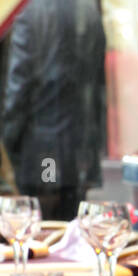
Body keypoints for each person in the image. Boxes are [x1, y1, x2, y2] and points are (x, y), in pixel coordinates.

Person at [1, 0, 107, 220]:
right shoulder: (89, 9)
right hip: (80, 155)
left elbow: (19, 88)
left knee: (37, 236)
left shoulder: (28, 11)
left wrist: (9, 143)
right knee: (69, 238)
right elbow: (98, 86)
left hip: (40, 153)